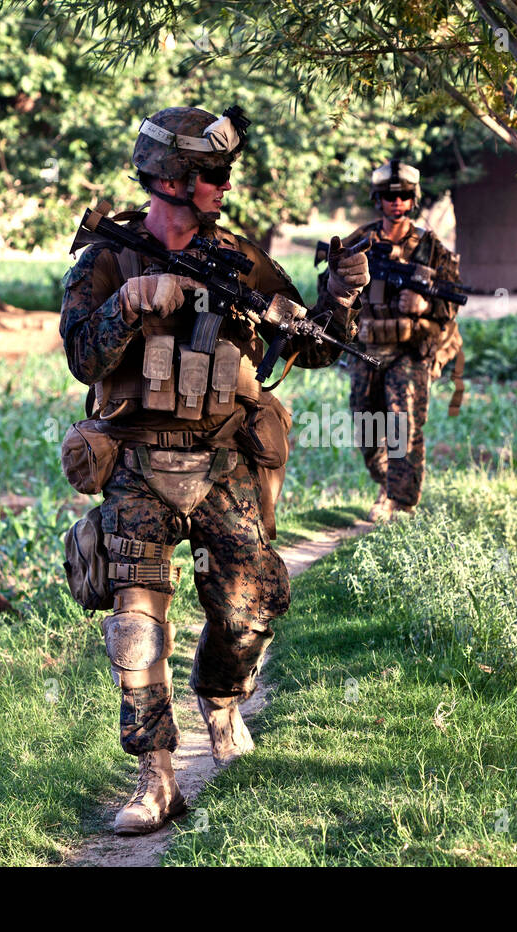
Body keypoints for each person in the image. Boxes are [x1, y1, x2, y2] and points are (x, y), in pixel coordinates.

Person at [58, 106, 369, 835]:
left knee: (247, 610)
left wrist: (342, 298)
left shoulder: (238, 256)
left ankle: (222, 698)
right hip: (136, 458)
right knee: (136, 632)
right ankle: (155, 777)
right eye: (214, 176)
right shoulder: (108, 258)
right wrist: (130, 305)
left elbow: (313, 344)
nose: (224, 188)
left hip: (223, 456)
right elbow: (81, 355)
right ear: (172, 179)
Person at [327, 160, 463, 522]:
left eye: (403, 196)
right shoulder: (361, 240)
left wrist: (426, 303)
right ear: (378, 199)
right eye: (389, 196)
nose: (396, 203)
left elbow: (452, 301)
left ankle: (400, 501)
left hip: (409, 351)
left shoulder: (430, 248)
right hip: (367, 348)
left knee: (404, 425)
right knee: (368, 426)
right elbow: (333, 288)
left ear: (413, 199)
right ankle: (385, 483)